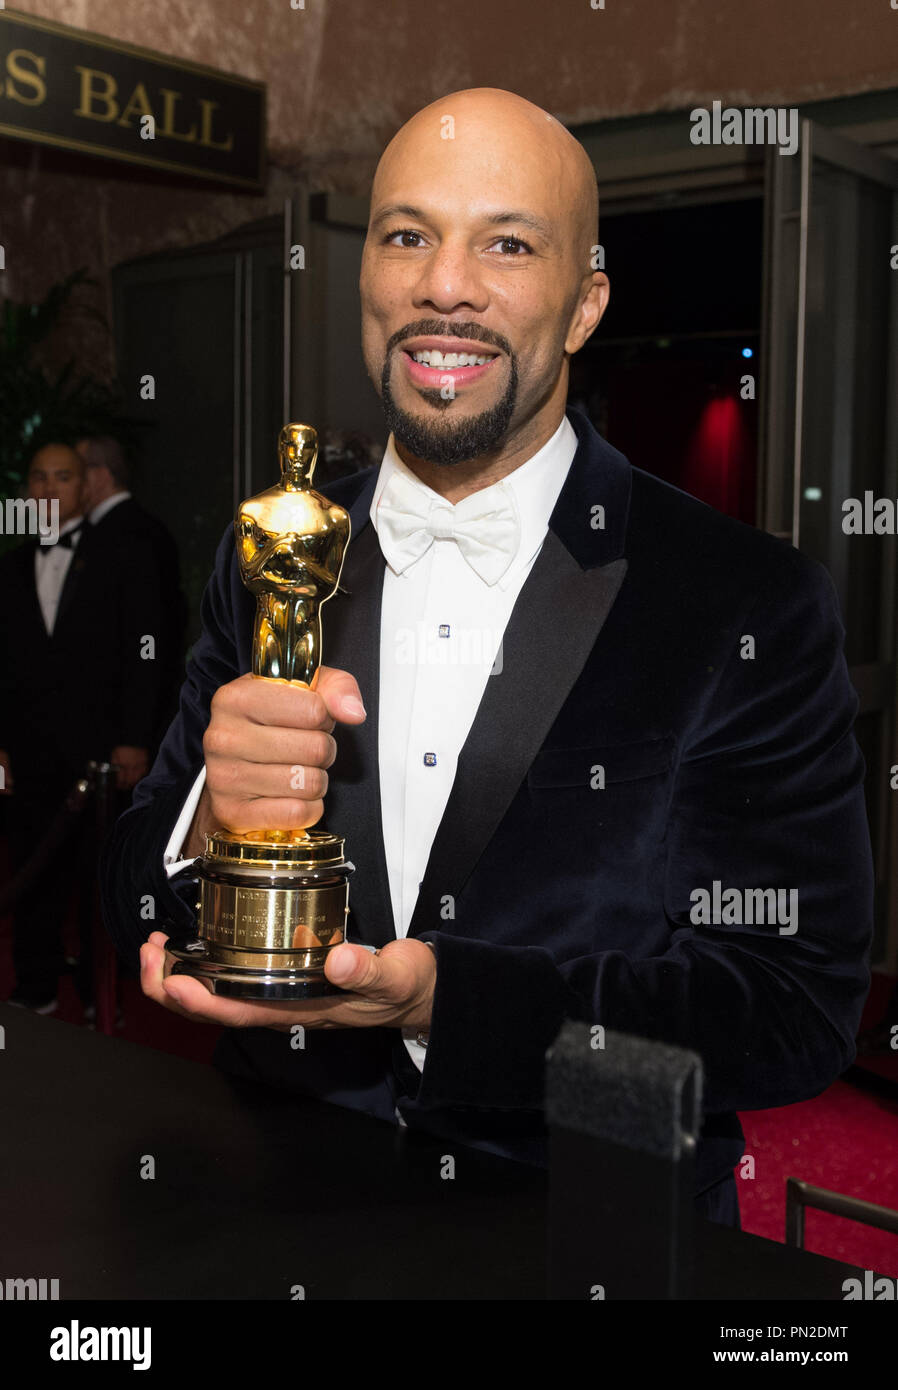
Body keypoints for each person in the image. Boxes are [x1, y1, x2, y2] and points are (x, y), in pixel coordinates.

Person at [101, 88, 873, 1228]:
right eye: (407, 234)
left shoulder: (741, 599)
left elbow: (791, 1006)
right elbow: (135, 895)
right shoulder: (273, 546)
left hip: (584, 1231)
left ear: (582, 304)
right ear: (365, 278)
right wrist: (209, 823)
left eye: (506, 243)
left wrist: (444, 1006)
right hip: (276, 1204)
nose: (443, 284)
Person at [0, 440, 169, 1011]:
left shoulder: (123, 552)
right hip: (26, 751)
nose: (47, 489)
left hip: (99, 750)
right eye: (38, 477)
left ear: (85, 486)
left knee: (101, 874)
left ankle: (103, 993)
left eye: (62, 477)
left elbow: (143, 651)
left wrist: (134, 739)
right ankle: (34, 988)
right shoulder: (11, 563)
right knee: (29, 868)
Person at [76, 435, 186, 744]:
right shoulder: (115, 530)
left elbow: (148, 636)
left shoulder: (131, 535)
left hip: (121, 724)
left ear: (100, 473)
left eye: (73, 472)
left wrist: (133, 735)